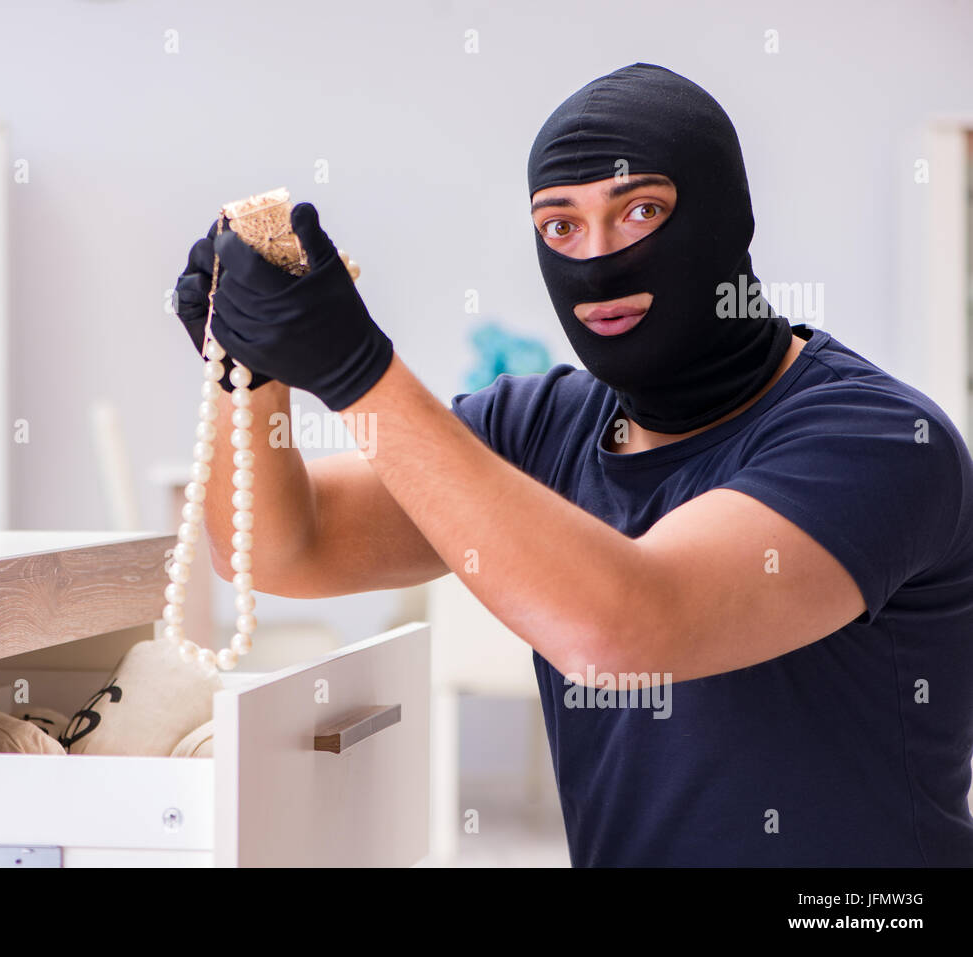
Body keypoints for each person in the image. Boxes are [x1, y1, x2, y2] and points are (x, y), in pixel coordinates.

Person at [171, 63, 973, 866]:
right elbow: (278, 548)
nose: (597, 264)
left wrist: (359, 373)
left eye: (641, 211)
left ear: (728, 218)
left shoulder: (878, 439)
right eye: (561, 227)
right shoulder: (540, 426)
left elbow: (627, 630)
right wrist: (247, 367)